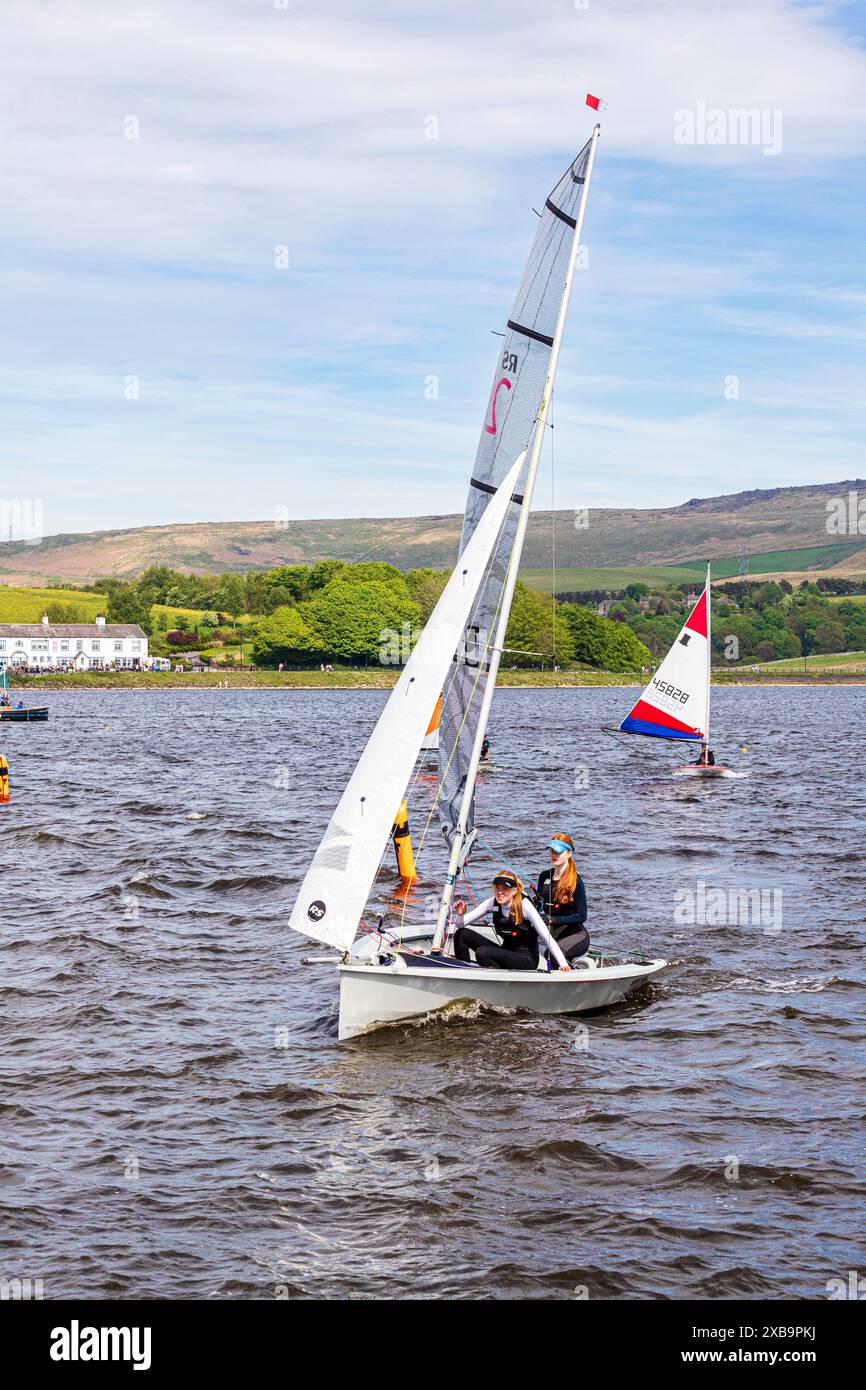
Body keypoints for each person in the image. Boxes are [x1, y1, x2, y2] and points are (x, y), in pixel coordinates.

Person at [452, 870, 570, 971]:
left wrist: (563, 964)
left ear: (514, 891)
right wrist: (461, 915)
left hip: (527, 959)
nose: (500, 892)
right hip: (506, 951)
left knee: (483, 952)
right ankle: (464, 972)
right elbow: (460, 924)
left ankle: (495, 984)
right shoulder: (492, 903)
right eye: (497, 888)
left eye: (505, 889)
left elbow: (546, 937)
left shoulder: (524, 906)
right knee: (461, 934)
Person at [533, 833, 590, 963]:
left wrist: (554, 920)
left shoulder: (576, 881)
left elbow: (582, 916)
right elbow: (540, 906)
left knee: (552, 956)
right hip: (555, 936)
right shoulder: (544, 876)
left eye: (558, 852)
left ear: (569, 853)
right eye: (552, 851)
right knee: (544, 956)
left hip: (576, 936)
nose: (554, 855)